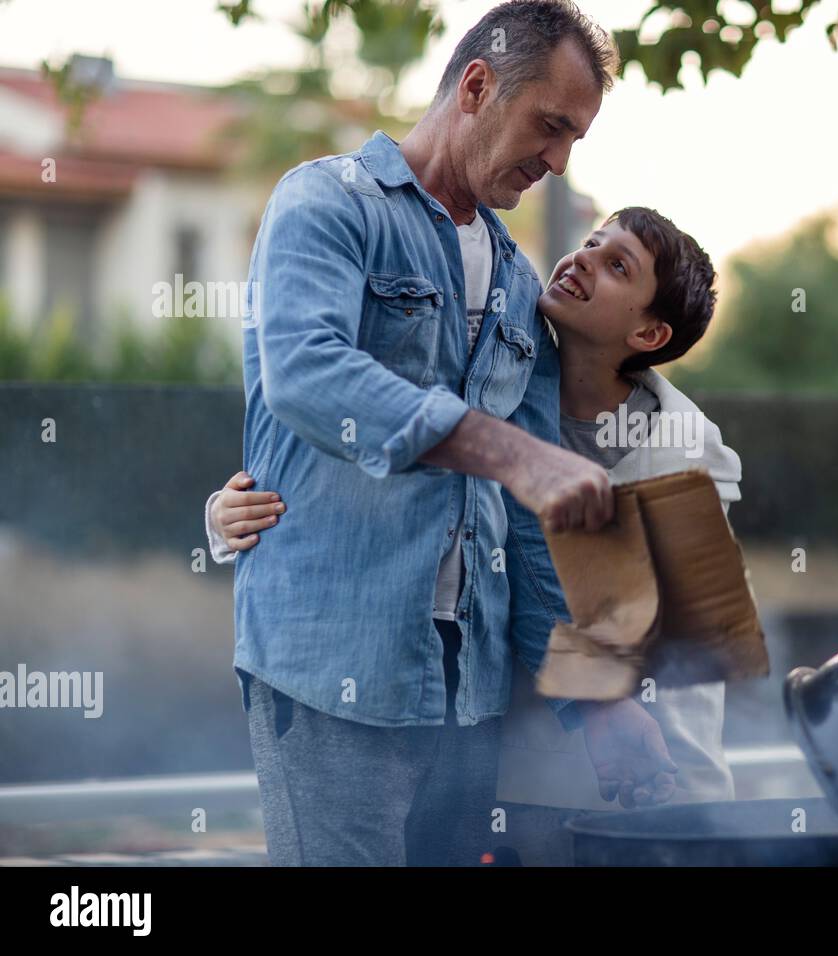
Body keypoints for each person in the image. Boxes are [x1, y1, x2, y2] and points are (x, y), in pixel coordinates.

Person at [229, 0, 678, 866]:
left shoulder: (518, 280)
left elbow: (527, 525)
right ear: (476, 85)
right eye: (551, 127)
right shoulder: (326, 202)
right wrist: (508, 449)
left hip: (468, 688)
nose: (558, 160)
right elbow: (307, 373)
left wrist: (599, 699)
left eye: (575, 140)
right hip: (332, 673)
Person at [209, 208, 744, 864]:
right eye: (590, 244)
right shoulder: (495, 371)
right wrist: (225, 513)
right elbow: (383, 452)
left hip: (624, 790)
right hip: (499, 768)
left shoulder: (687, 454)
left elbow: (690, 668)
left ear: (649, 330)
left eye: (617, 266)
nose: (582, 261)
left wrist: (697, 810)